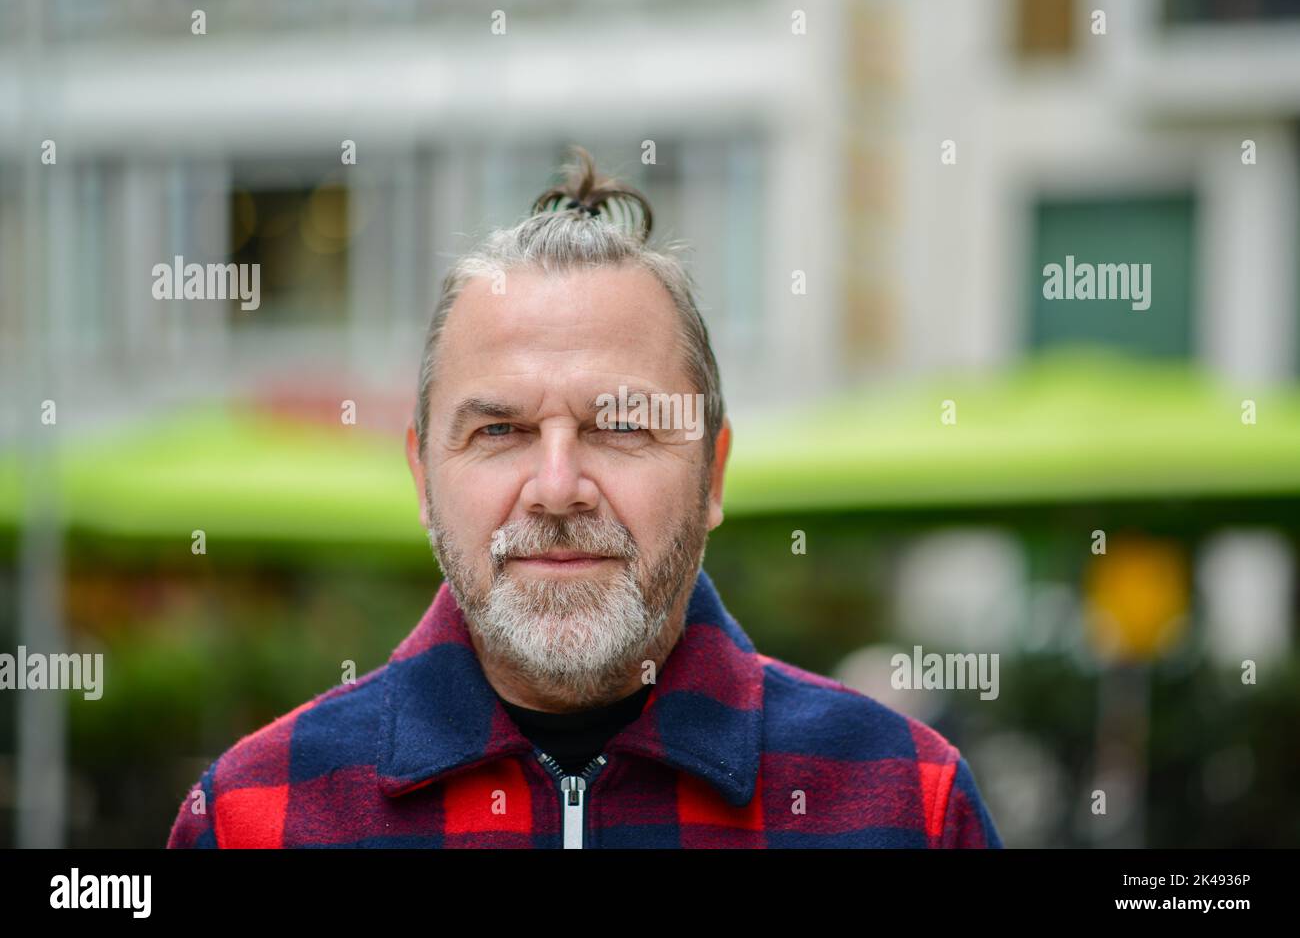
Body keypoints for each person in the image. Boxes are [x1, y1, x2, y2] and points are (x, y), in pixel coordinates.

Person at [166, 146, 1003, 848]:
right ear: (424, 479)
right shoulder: (255, 817)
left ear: (713, 475)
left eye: (621, 426)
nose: (558, 488)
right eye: (499, 432)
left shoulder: (903, 806)